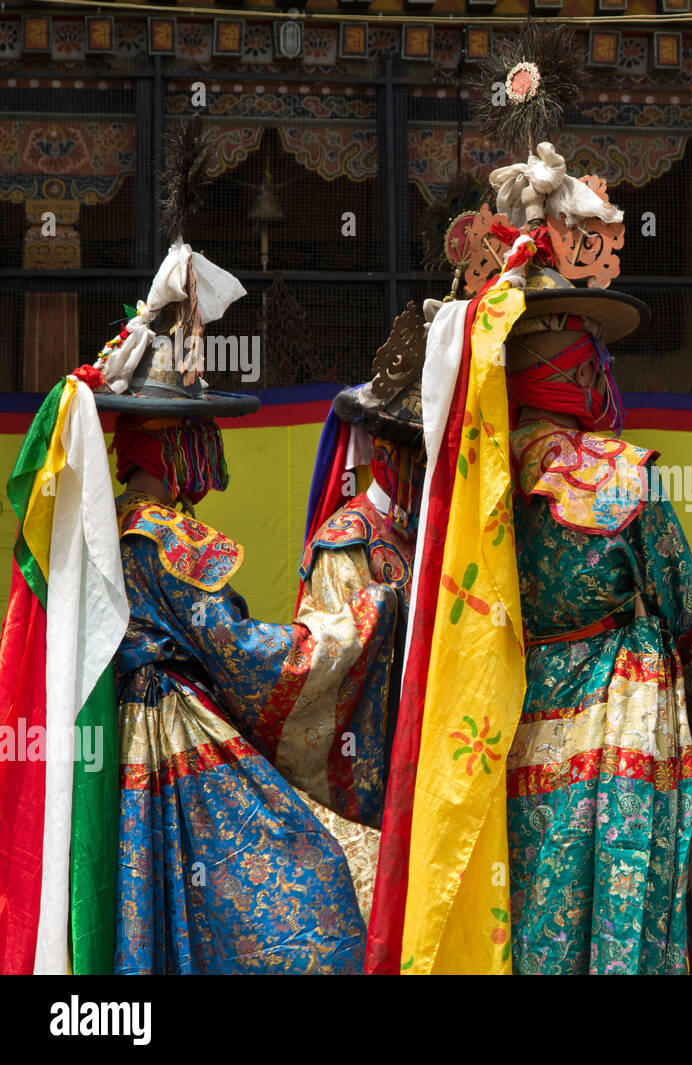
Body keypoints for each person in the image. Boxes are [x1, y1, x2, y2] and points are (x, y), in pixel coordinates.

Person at [365, 21, 692, 972]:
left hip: (513, 743)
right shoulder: (623, 477)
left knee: (531, 937)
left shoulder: (471, 495)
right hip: (624, 738)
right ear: (579, 367)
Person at [0, 219, 401, 972]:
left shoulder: (107, 530)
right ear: (177, 442)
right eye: (201, 431)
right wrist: (368, 617)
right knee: (313, 881)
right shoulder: (163, 538)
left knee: (149, 910)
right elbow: (250, 657)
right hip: (172, 735)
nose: (210, 448)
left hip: (116, 746)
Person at [295, 300, 432, 923]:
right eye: (418, 452)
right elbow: (327, 676)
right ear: (385, 450)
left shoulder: (438, 534)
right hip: (376, 770)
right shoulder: (346, 544)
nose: (428, 468)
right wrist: (389, 611)